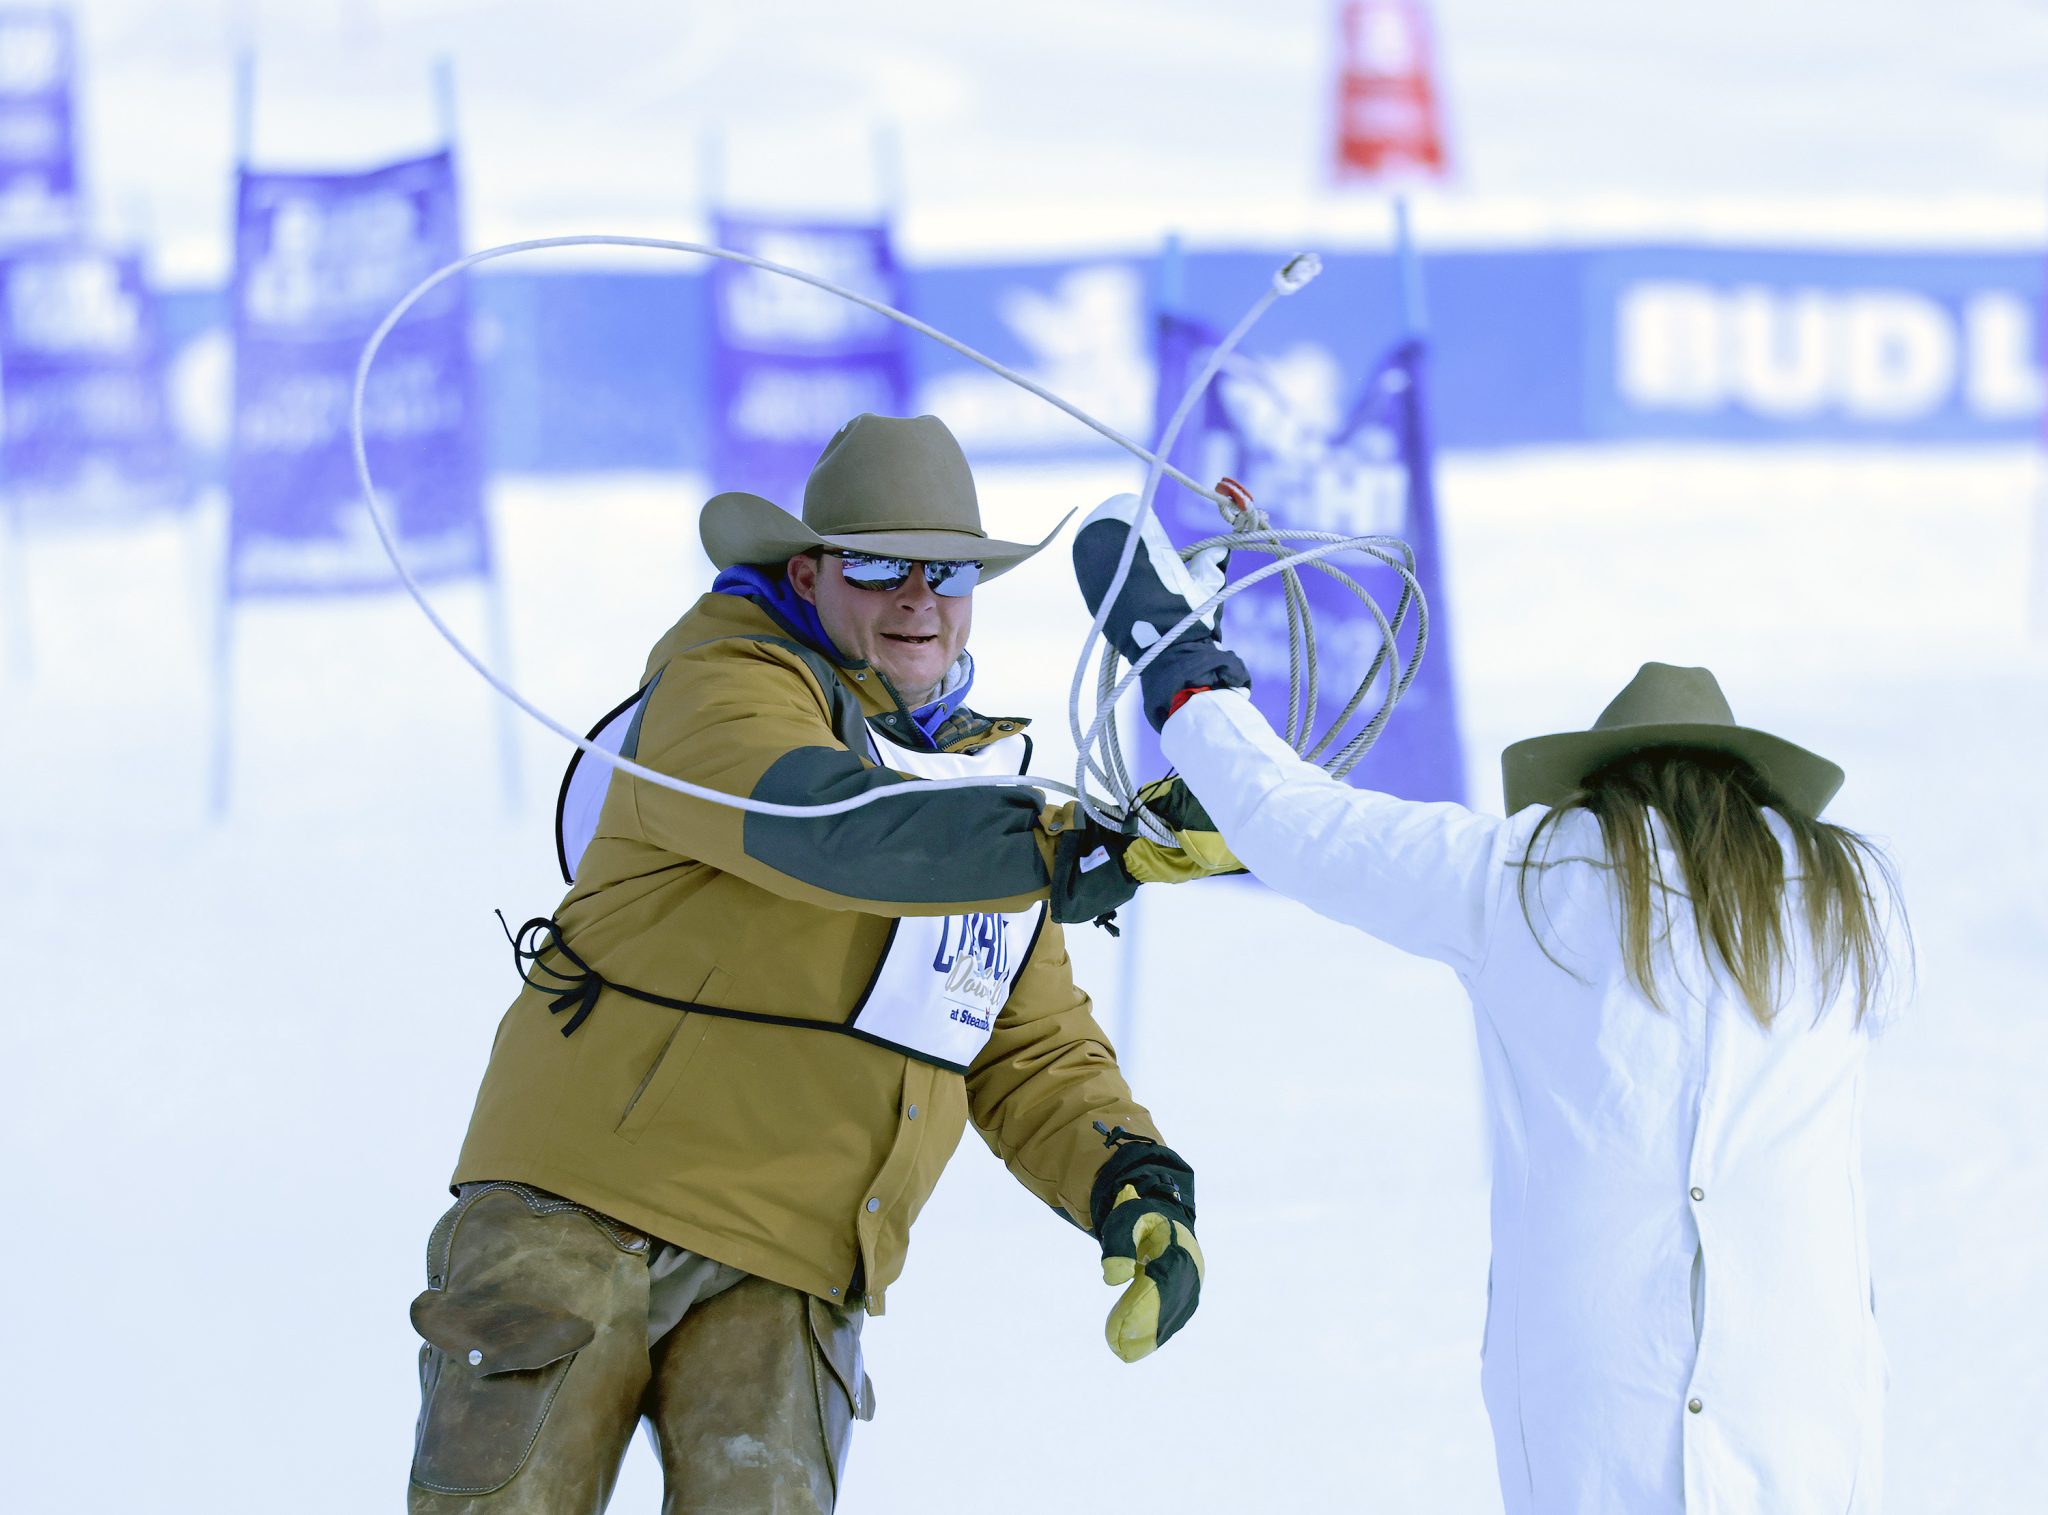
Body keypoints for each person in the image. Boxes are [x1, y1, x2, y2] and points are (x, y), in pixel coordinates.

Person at [406, 417, 1230, 1514]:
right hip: (582, 1213)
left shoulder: (981, 794)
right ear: (807, 573)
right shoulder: (723, 682)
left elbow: (1027, 1042)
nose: (918, 599)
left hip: (790, 1261)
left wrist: (1130, 1180)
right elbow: (827, 827)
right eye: (880, 566)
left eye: (949, 572)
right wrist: (1073, 845)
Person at [1073, 492, 1910, 1515]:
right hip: (1809, 1415)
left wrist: (1179, 660)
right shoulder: (1851, 897)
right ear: (1749, 786)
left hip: (1597, 1423)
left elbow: (1297, 823)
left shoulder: (1528, 873)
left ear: (1599, 784)